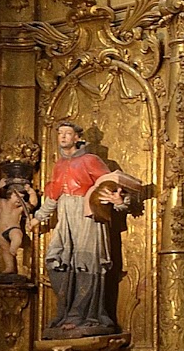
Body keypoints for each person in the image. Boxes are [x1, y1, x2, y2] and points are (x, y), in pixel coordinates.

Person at [31, 121, 141, 338]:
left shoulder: (90, 160)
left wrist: (117, 200)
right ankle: (64, 313)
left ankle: (84, 315)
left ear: (77, 138)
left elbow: (111, 185)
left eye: (67, 133)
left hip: (86, 214)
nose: (62, 137)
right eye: (60, 133)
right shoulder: (59, 165)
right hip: (65, 214)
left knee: (86, 261)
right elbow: (53, 195)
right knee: (57, 260)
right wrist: (38, 217)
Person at [0, 176, 39, 279]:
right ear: (10, 195)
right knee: (5, 250)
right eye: (17, 196)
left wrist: (31, 192)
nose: (19, 200)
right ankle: (9, 267)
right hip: (0, 230)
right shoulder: (2, 203)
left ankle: (14, 248)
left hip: (13, 228)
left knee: (17, 237)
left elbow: (33, 204)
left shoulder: (20, 208)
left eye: (21, 197)